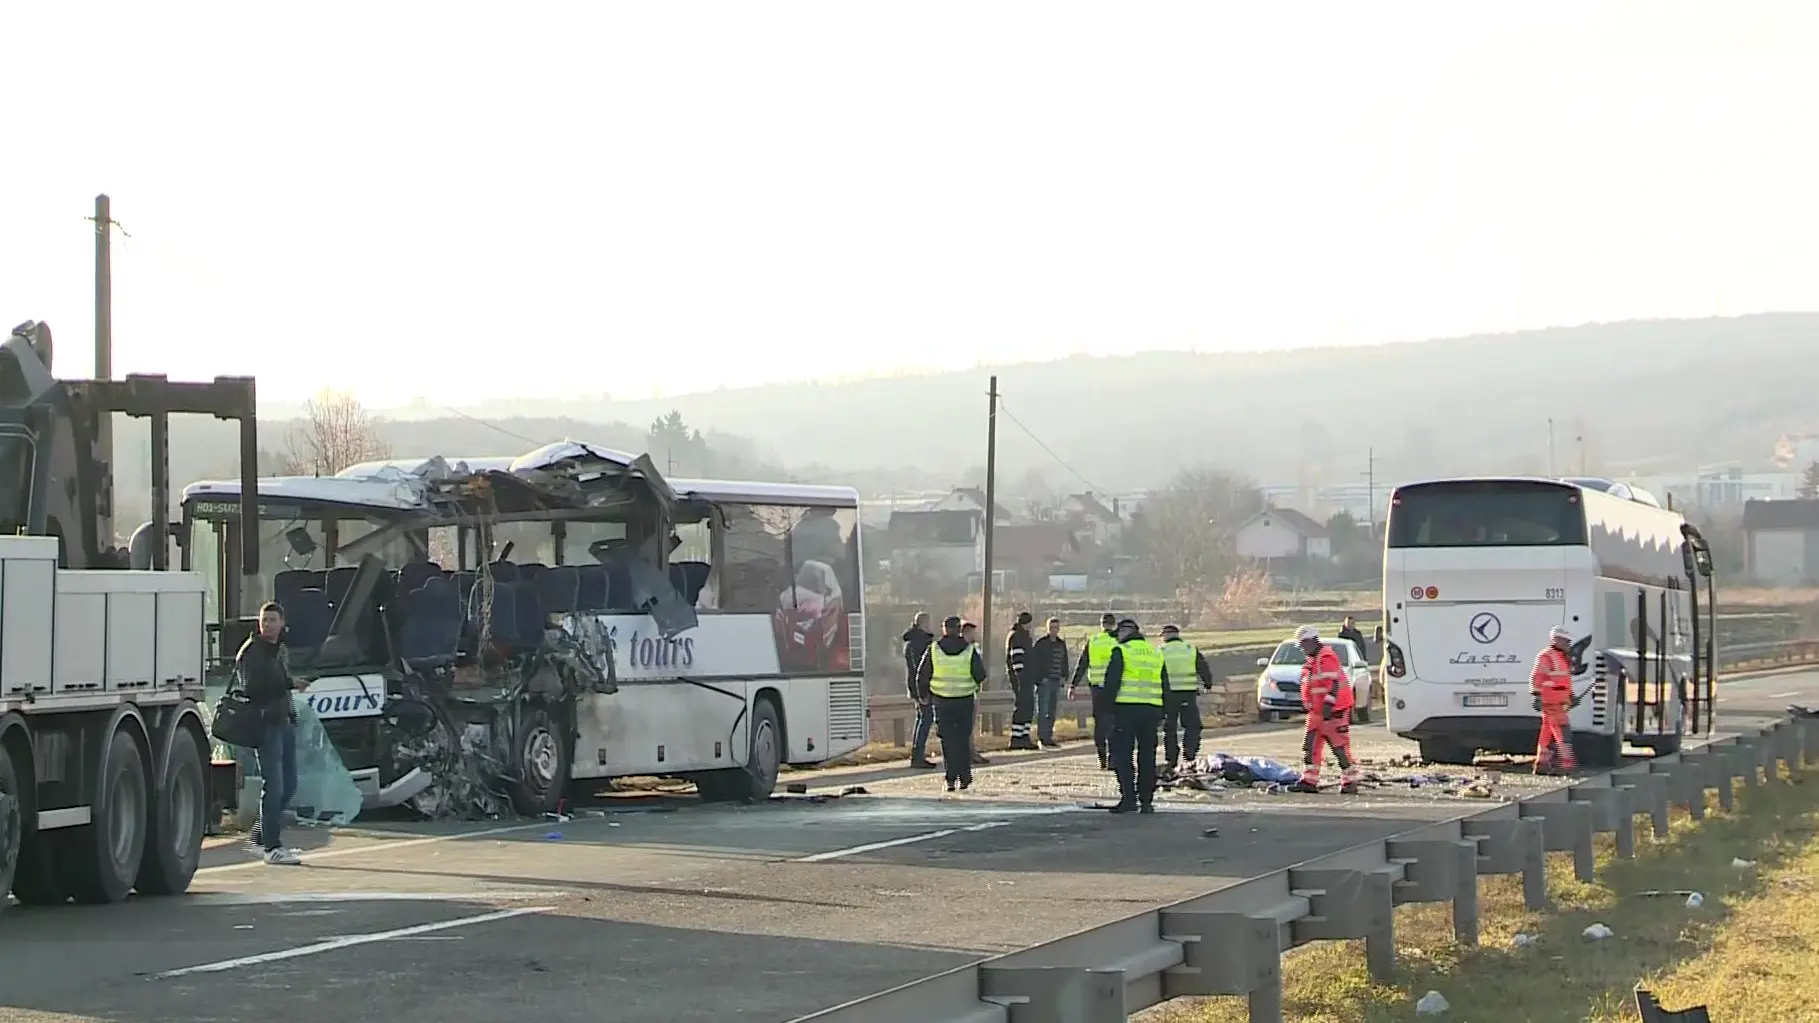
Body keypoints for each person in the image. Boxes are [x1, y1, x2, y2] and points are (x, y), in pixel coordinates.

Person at [239, 601, 307, 865]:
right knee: (274, 784)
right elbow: (253, 687)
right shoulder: (253, 651)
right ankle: (272, 847)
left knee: (289, 783)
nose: (266, 625)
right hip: (264, 723)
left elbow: (282, 688)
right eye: (263, 620)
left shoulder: (281, 650)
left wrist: (291, 713)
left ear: (282, 623)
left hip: (283, 721)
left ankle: (259, 835)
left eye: (272, 620)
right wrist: (289, 683)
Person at [915, 615, 987, 792]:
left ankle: (950, 778)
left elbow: (921, 675)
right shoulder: (969, 650)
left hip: (942, 702)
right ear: (959, 629)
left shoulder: (933, 650)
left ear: (944, 629)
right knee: (963, 740)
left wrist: (923, 695)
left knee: (947, 741)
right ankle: (964, 776)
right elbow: (980, 674)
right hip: (964, 700)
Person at [1102, 617, 1167, 814]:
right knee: (1147, 757)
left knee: (1123, 754)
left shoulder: (1122, 651)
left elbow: (1111, 683)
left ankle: (1128, 798)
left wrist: (1106, 711)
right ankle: (1146, 801)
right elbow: (1165, 685)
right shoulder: (1155, 654)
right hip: (1151, 710)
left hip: (1125, 710)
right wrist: (1164, 713)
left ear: (1124, 633)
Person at [1290, 624, 1361, 794]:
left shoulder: (1326, 658)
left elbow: (1333, 684)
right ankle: (1309, 780)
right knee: (1311, 747)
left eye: (1304, 645)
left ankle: (1350, 781)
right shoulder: (1312, 661)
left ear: (1313, 641)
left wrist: (1328, 708)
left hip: (1333, 712)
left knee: (1339, 748)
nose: (1302, 649)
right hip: (1317, 713)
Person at [1068, 613, 1121, 770]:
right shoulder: (1118, 641)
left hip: (1097, 688)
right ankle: (1113, 758)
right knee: (1114, 723)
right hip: (1115, 689)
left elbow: (1082, 664)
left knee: (1099, 724)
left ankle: (1102, 757)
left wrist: (1073, 685)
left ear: (1101, 624)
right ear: (1114, 624)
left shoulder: (1094, 641)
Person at [1157, 624, 1213, 772]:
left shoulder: (1160, 651)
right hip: (1188, 693)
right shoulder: (1190, 649)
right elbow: (1203, 667)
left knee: (1170, 727)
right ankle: (1190, 755)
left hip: (1168, 695)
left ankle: (1171, 759)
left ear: (1164, 636)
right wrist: (1208, 684)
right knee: (1192, 726)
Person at [1531, 625, 1581, 775]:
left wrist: (1570, 696)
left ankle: (1542, 763)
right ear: (1556, 640)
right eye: (1566, 641)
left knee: (1546, 734)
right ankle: (1566, 764)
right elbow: (1538, 677)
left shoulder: (1561, 658)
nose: (1568, 644)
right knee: (1563, 731)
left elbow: (1563, 680)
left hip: (1557, 701)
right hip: (1551, 702)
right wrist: (1537, 696)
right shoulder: (1547, 656)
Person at [1028, 617, 1072, 748]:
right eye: (1052, 627)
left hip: (1057, 681)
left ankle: (1049, 736)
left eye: (1056, 628)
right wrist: (1040, 678)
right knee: (1043, 711)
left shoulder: (1061, 644)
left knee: (1052, 711)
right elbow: (1034, 662)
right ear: (1047, 628)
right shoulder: (1041, 644)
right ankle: (1042, 737)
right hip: (1044, 682)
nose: (1054, 630)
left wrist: (1065, 676)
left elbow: (1065, 662)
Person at [902, 612, 937, 769]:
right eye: (929, 622)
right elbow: (921, 669)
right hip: (922, 687)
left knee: (921, 720)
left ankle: (917, 754)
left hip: (914, 686)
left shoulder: (911, 642)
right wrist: (924, 690)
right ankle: (917, 757)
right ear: (923, 623)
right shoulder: (920, 643)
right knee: (925, 719)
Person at [959, 620, 990, 765]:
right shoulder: (967, 650)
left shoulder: (970, 648)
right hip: (967, 692)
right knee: (967, 726)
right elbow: (979, 673)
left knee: (967, 726)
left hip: (962, 692)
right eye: (971, 632)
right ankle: (969, 753)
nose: (974, 635)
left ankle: (968, 752)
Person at [1005, 611, 1036, 750]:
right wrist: (1021, 677)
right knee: (1022, 706)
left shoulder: (1022, 636)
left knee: (1028, 706)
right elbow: (1016, 658)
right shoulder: (1017, 637)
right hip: (1022, 678)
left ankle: (1024, 736)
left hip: (1026, 677)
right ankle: (1016, 738)